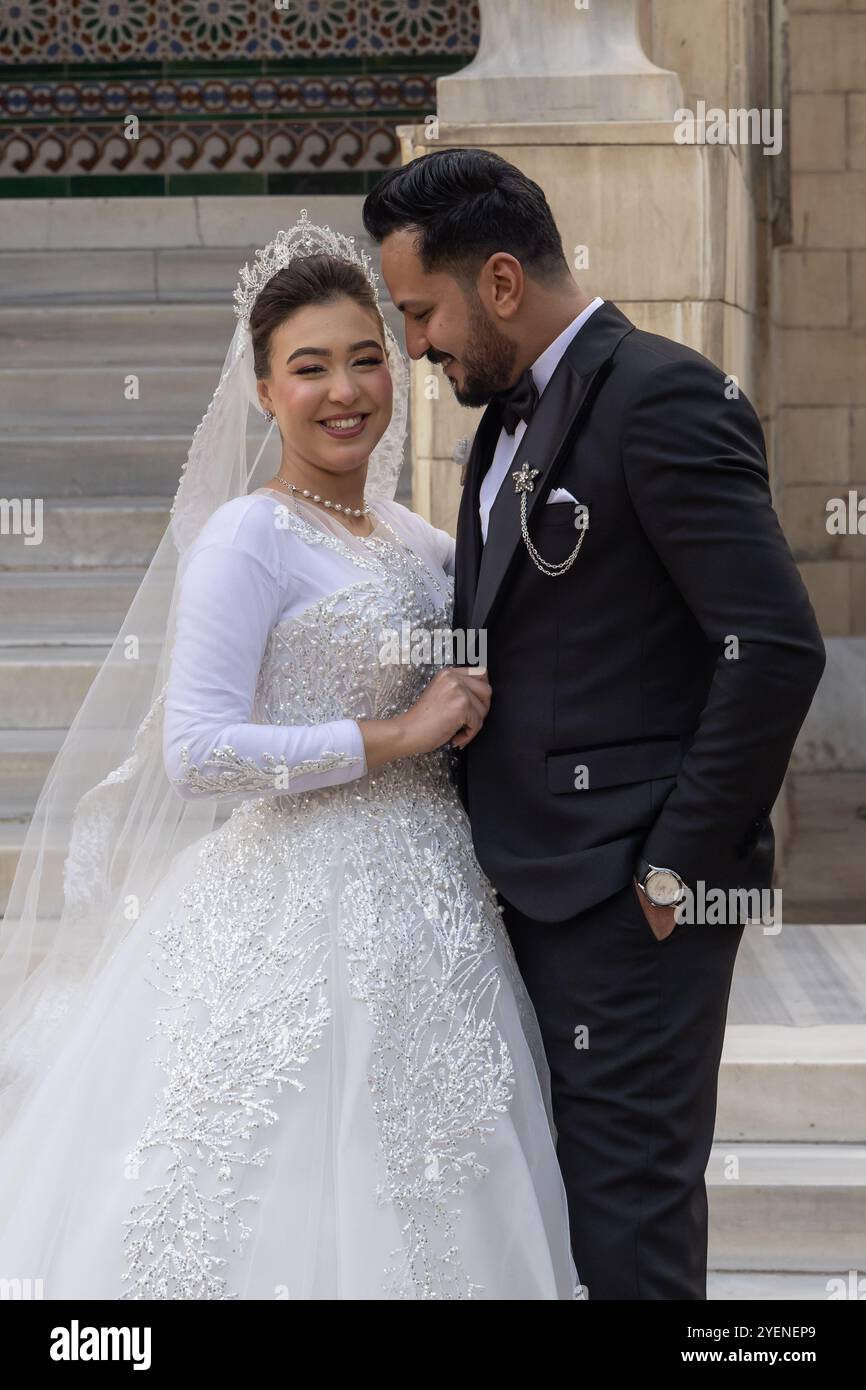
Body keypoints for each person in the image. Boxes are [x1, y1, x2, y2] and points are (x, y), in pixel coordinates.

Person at [0, 213, 582, 1301]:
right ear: (264, 391)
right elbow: (197, 751)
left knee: (443, 1170)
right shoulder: (245, 539)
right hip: (292, 904)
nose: (345, 390)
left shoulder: (422, 544)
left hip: (437, 906)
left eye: (367, 358)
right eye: (308, 368)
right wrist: (395, 735)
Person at [364, 148, 827, 1299]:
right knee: (561, 1219)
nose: (414, 344)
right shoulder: (503, 419)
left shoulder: (663, 394)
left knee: (626, 1230)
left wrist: (670, 868)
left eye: (421, 312)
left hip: (628, 910)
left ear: (503, 282)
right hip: (523, 889)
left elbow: (771, 646)